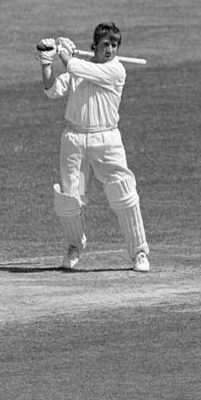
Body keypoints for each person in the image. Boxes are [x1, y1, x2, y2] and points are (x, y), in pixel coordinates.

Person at [37, 24, 150, 272]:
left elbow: (76, 67)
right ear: (95, 47)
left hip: (106, 142)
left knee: (124, 194)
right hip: (75, 142)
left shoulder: (116, 70)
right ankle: (74, 247)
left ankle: (139, 252)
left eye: (114, 45)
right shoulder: (79, 69)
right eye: (105, 45)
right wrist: (47, 62)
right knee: (70, 198)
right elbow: (52, 91)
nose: (110, 50)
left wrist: (65, 55)